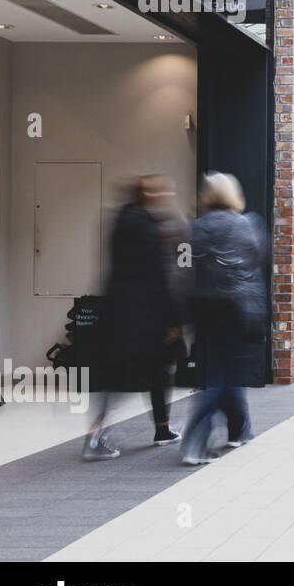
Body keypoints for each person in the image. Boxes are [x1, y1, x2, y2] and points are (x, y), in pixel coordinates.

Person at [84, 177, 184, 461]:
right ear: (149, 195)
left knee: (118, 376)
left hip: (119, 312)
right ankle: (156, 430)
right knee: (157, 373)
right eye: (161, 191)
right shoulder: (149, 229)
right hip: (147, 317)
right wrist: (172, 320)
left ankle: (101, 434)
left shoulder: (121, 223)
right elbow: (159, 278)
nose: (166, 195)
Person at [180, 173, 265, 465]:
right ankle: (194, 441)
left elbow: (186, 270)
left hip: (205, 309)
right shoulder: (245, 225)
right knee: (221, 375)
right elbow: (255, 264)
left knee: (224, 370)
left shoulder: (197, 227)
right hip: (235, 308)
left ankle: (240, 429)